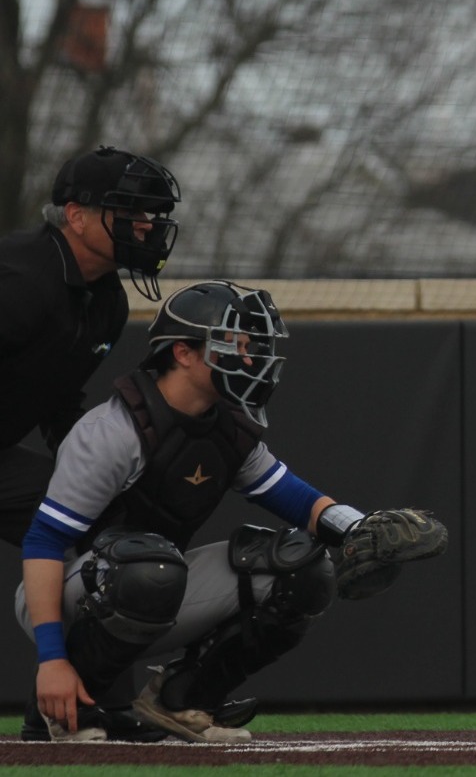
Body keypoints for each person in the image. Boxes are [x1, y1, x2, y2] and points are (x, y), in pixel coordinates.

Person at [17, 280, 447, 743]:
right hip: (68, 596)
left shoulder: (225, 424)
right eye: (234, 345)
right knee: (149, 568)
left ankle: (181, 701)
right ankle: (66, 712)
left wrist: (358, 526)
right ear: (183, 352)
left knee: (305, 568)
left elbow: (297, 499)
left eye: (250, 346)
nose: (249, 358)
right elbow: (44, 542)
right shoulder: (112, 432)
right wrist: (52, 659)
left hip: (154, 583)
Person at [0, 146, 181, 549]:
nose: (144, 227)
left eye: (147, 215)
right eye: (129, 212)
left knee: (111, 522)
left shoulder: (107, 303)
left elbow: (57, 401)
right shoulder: (22, 283)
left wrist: (99, 470)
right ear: (77, 217)